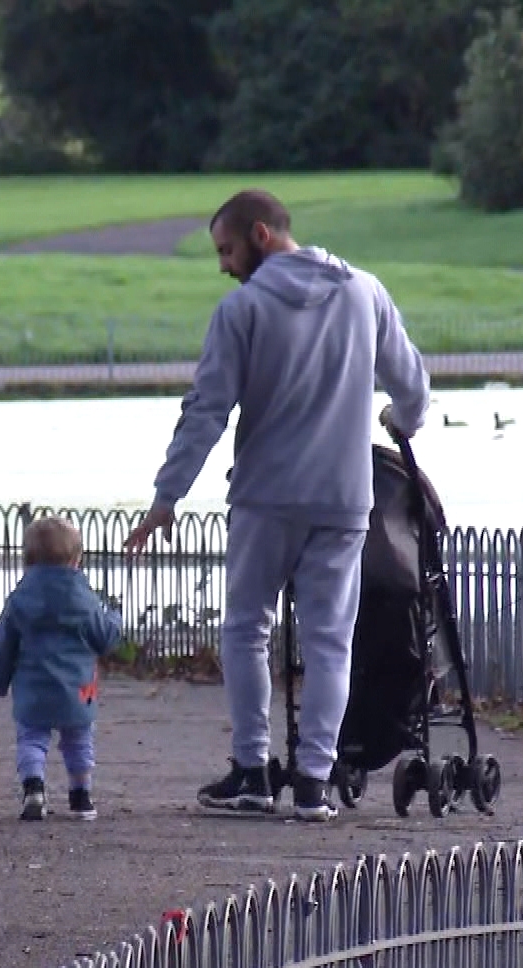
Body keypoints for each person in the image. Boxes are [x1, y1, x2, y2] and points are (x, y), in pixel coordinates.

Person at [123, 189, 431, 823]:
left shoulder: (243, 311)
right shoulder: (365, 292)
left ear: (260, 235)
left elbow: (205, 411)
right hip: (345, 497)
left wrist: (166, 496)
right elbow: (413, 387)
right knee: (329, 640)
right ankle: (314, 780)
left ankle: (251, 769)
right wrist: (397, 419)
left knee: (246, 627)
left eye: (227, 249)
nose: (223, 265)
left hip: (266, 494)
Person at [0, 516, 124, 823]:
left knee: (32, 739)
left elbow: (2, 646)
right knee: (79, 740)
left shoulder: (20, 600)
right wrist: (115, 618)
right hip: (79, 688)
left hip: (32, 687)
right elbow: (104, 638)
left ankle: (34, 787)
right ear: (76, 559)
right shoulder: (84, 599)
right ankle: (81, 796)